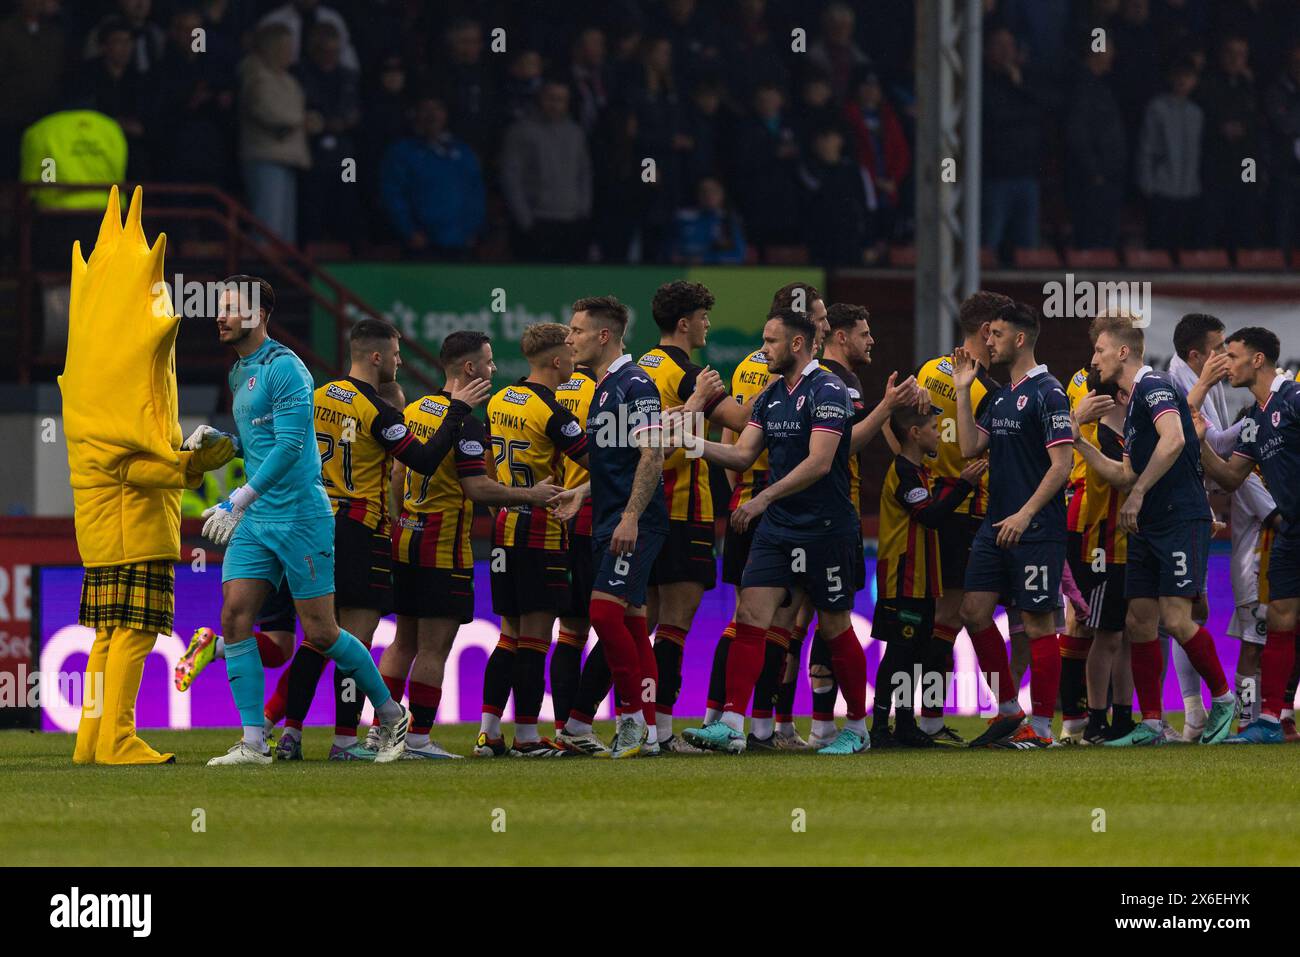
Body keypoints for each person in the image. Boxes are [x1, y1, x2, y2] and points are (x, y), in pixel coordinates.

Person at [196, 276, 410, 765]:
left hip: (299, 515)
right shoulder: (239, 372)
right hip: (257, 516)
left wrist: (238, 499)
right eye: (219, 307)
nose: (220, 316)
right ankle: (253, 742)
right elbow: (259, 444)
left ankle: (392, 714)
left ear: (260, 315)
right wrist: (222, 443)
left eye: (230, 308)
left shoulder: (286, 369)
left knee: (320, 632)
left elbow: (293, 446)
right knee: (234, 616)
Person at [676, 307, 872, 754]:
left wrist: (763, 498)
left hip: (826, 528)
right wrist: (688, 443)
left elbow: (821, 462)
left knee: (834, 625)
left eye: (770, 341)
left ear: (797, 344)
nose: (763, 349)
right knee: (750, 617)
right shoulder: (769, 396)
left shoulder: (828, 390)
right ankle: (730, 723)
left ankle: (857, 729)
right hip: (780, 528)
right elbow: (743, 454)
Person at [1070, 318, 1237, 746]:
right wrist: (1081, 444)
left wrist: (1140, 494)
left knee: (1176, 619)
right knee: (1138, 621)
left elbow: (1175, 439)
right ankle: (1149, 724)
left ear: (1123, 353)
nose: (1094, 358)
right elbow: (1125, 475)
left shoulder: (1153, 385)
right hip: (1148, 523)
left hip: (1180, 518)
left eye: (1101, 350)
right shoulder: (1130, 405)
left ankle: (1223, 699)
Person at [637, 281, 753, 751]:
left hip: (643, 509)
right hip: (684, 511)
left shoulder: (642, 365)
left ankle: (607, 723)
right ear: (684, 323)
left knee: (635, 625)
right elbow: (742, 421)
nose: (708, 323)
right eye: (704, 316)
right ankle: (661, 730)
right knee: (673, 629)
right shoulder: (688, 374)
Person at [953, 302, 1073, 749]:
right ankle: (1008, 709)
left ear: (1019, 339)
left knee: (1040, 626)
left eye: (997, 334)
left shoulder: (1049, 392)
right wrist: (964, 389)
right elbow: (969, 447)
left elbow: (1062, 465)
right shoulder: (1002, 394)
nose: (989, 341)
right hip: (995, 525)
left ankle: (1041, 730)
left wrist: (1025, 513)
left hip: (1037, 528)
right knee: (973, 613)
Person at [553, 297, 668, 759]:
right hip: (609, 517)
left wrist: (630, 516)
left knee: (602, 615)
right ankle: (653, 731)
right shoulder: (602, 387)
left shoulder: (635, 384)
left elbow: (652, 454)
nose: (569, 338)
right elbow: (614, 463)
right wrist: (582, 493)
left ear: (604, 335)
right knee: (634, 627)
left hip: (632, 523)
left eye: (577, 331)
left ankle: (631, 721)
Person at [478, 324, 589, 756]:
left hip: (504, 529)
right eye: (570, 350)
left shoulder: (502, 399)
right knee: (536, 640)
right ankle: (526, 736)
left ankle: (489, 733)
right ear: (557, 360)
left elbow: (484, 464)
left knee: (508, 635)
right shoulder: (554, 413)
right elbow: (598, 463)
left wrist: (502, 507)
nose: (574, 356)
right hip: (542, 533)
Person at [911, 291, 1009, 744]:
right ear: (988, 331)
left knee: (938, 618)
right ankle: (1004, 712)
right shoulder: (988, 390)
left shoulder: (930, 371)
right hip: (970, 511)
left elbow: (901, 428)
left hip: (926, 505)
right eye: (1001, 330)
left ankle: (928, 718)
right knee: (954, 618)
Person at [1196, 327, 1299, 744]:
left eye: (1233, 355)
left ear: (1258, 360)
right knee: (1279, 620)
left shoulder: (1293, 398)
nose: (1226, 364)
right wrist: (1199, 441)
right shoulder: (1254, 419)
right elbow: (1230, 478)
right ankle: (1271, 720)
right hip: (1292, 531)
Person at [873, 406, 984, 747]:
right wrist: (965, 485)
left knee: (916, 651)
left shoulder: (920, 471)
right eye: (934, 428)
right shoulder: (904, 471)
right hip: (901, 576)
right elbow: (930, 516)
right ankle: (879, 728)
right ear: (915, 433)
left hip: (922, 578)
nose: (940, 433)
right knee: (898, 653)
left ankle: (905, 725)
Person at [1070, 366, 1135, 744]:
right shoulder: (1094, 434)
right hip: (1098, 541)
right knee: (1106, 633)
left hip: (1126, 541)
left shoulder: (1126, 431)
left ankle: (1123, 717)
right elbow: (1121, 478)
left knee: (1124, 633)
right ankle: (1094, 718)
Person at [380, 94, 485, 258]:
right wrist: (409, 231)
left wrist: (472, 230)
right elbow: (393, 196)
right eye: (425, 109)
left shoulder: (463, 152)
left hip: (460, 243)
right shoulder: (401, 152)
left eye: (437, 108)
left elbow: (476, 193)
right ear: (415, 113)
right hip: (422, 245)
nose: (432, 115)